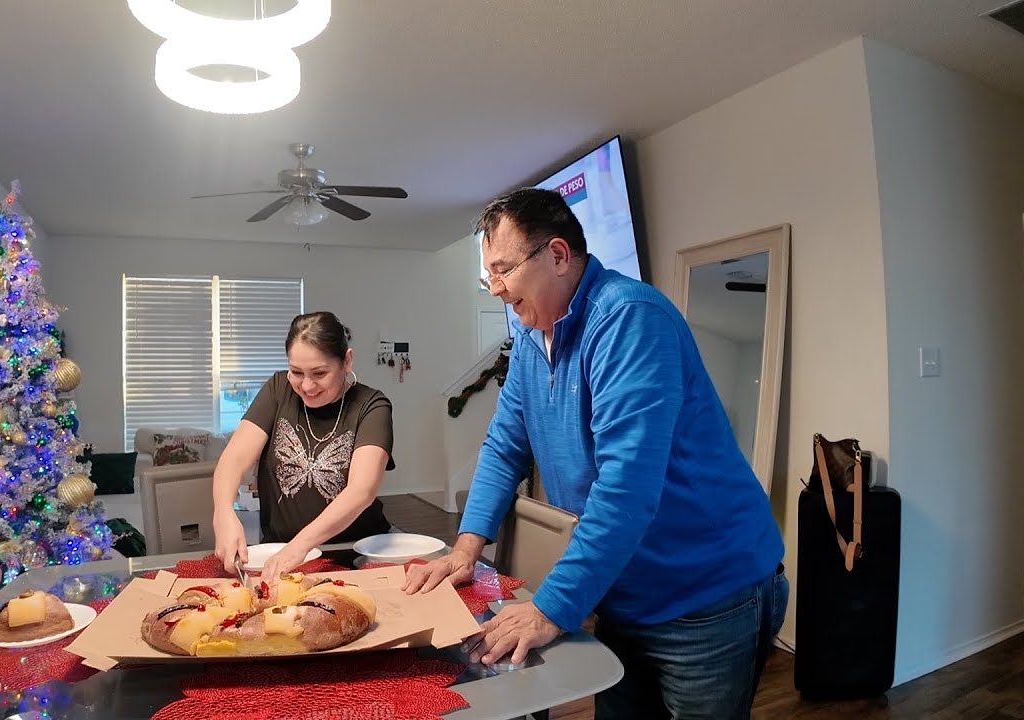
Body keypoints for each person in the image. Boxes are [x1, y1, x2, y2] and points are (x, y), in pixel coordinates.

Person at [403, 188, 787, 719]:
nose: (495, 289)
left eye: (503, 270)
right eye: (486, 275)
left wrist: (550, 609)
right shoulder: (532, 334)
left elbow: (625, 490)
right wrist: (467, 548)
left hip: (706, 594)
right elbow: (503, 445)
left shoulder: (630, 319)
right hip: (622, 589)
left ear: (557, 256)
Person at [212, 311, 395, 581]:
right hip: (280, 555)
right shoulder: (277, 389)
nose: (307, 386)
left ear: (347, 361)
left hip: (353, 556)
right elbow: (234, 459)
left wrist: (300, 546)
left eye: (320, 373)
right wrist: (223, 511)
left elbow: (361, 490)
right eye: (296, 372)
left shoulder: (371, 406)